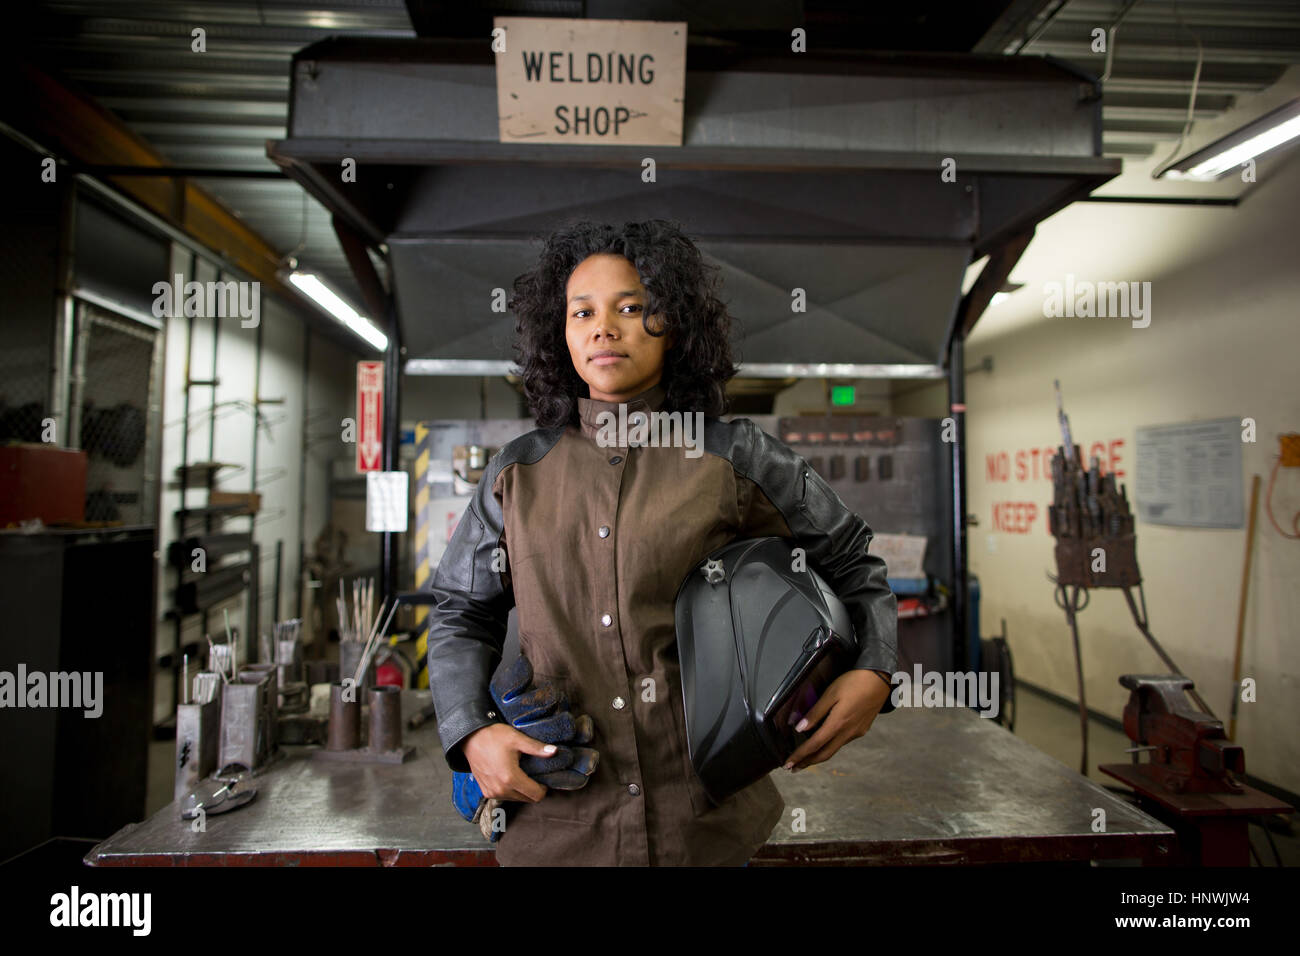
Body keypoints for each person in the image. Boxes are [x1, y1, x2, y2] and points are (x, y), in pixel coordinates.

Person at [425, 219, 897, 866]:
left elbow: (852, 560)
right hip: (559, 828)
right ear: (558, 334)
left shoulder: (738, 459)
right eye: (581, 311)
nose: (603, 327)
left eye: (631, 308)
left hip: (704, 828)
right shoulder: (514, 476)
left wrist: (874, 670)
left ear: (673, 325)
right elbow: (459, 611)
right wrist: (471, 731)